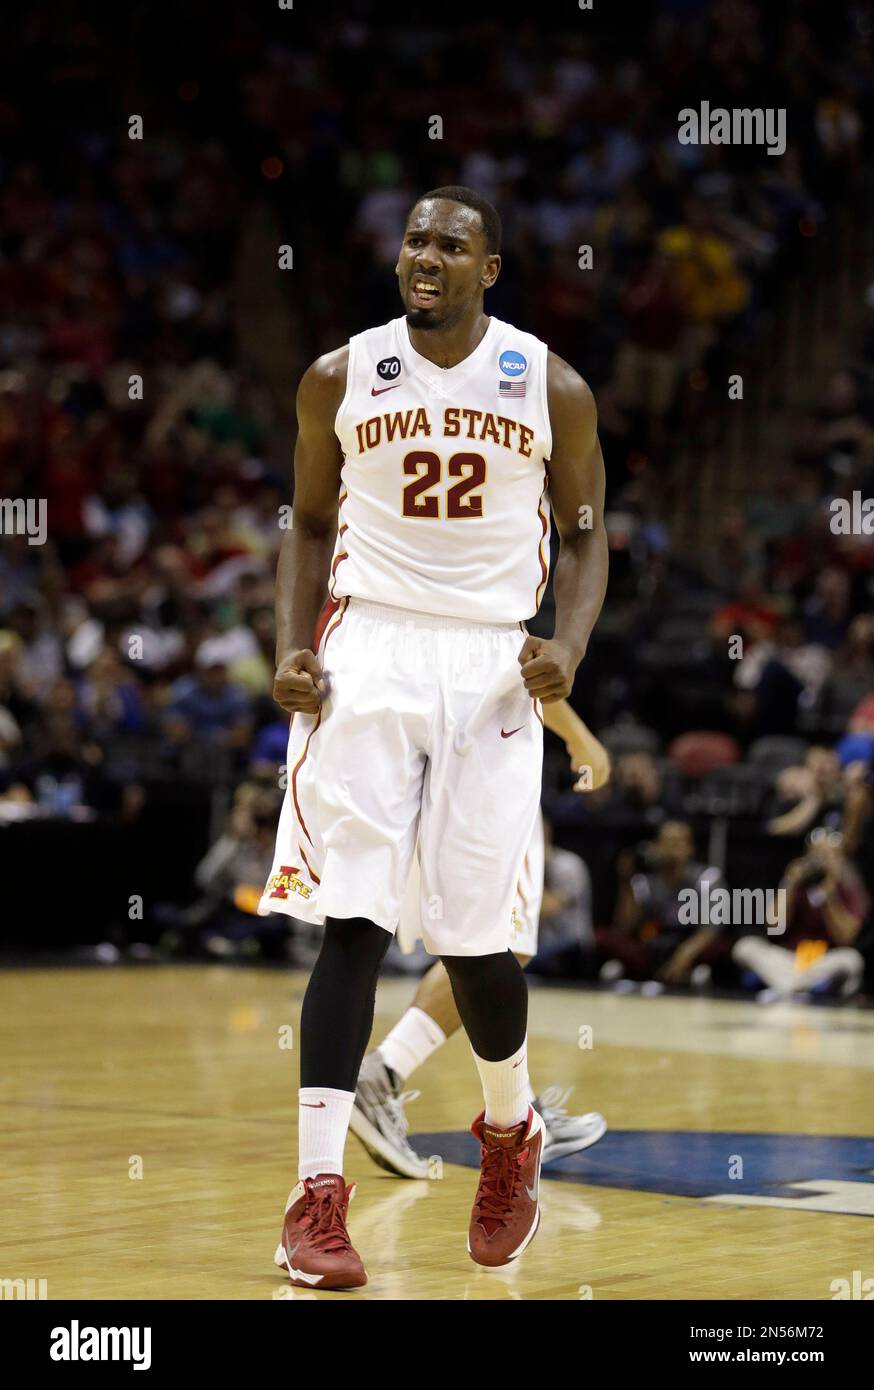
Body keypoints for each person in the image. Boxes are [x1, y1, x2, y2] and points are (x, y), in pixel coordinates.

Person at [258, 186, 608, 1288]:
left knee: (475, 941)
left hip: (492, 661)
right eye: (415, 239)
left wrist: (572, 643)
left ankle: (509, 1135)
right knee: (349, 922)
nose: (427, 256)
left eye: (452, 245)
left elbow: (591, 535)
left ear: (487, 270)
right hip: (369, 648)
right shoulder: (340, 374)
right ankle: (314, 1200)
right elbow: (309, 525)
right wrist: (293, 643)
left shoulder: (548, 382)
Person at [343, 698, 610, 1182]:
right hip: (483, 768)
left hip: (409, 755)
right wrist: (578, 736)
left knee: (475, 945)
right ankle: (393, 1076)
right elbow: (519, 658)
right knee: (498, 946)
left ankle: (514, 1105)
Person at [733, 827, 866, 1001]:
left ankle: (785, 989)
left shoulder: (849, 889)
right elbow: (774, 926)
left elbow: (846, 937)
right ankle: (798, 990)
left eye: (830, 855)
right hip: (791, 960)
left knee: (852, 960)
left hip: (825, 961)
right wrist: (789, 882)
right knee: (745, 947)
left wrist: (829, 896)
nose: (823, 861)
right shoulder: (796, 885)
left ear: (842, 859)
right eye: (818, 855)